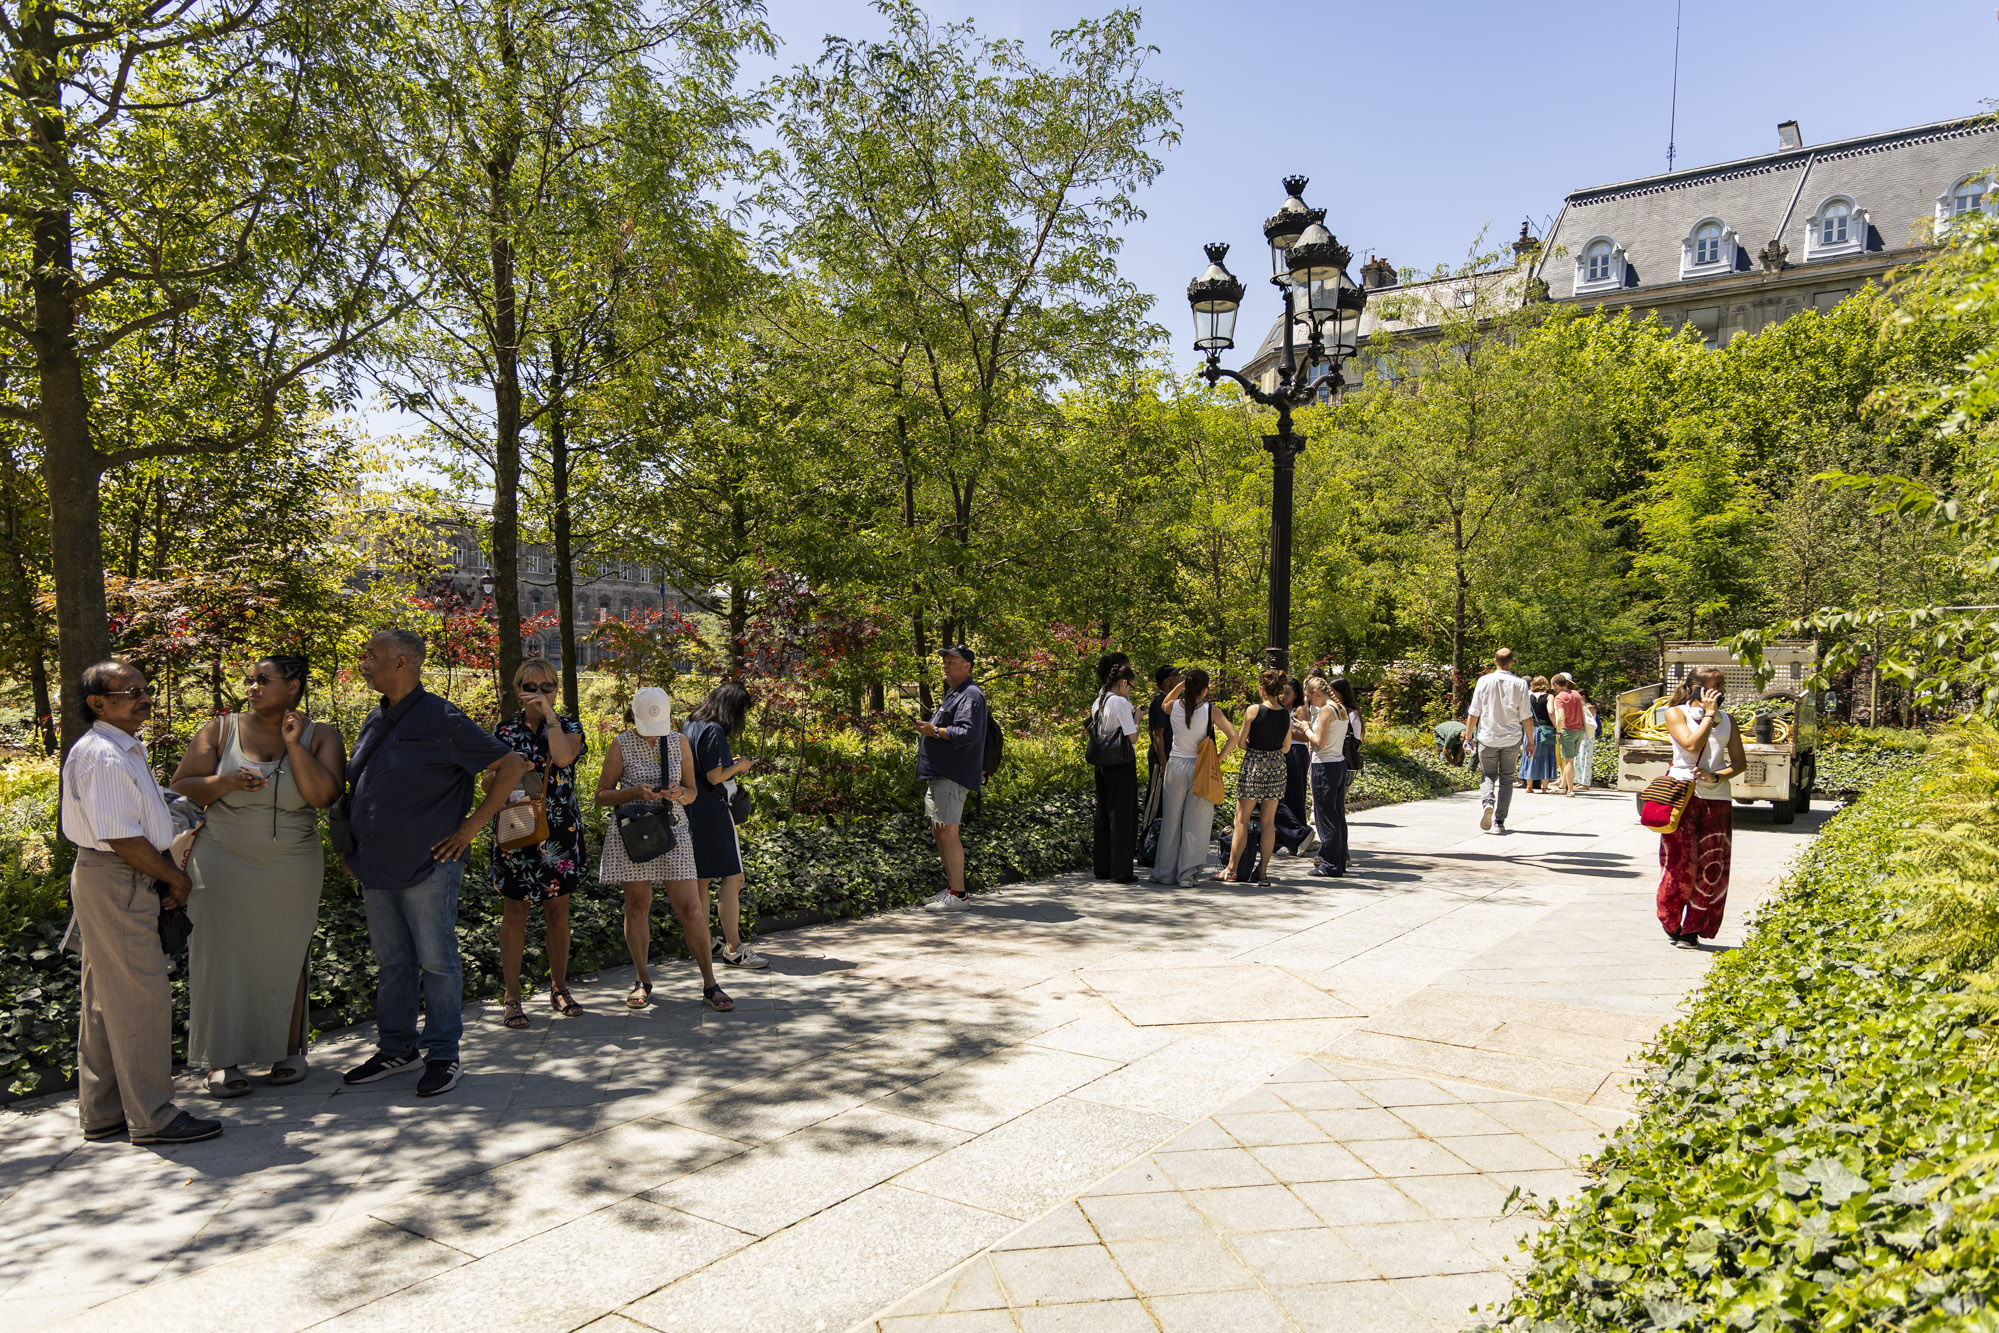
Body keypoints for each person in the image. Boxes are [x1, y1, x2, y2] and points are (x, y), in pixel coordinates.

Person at [340, 629, 530, 1099]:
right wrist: (354, 850)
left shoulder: (441, 716)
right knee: (393, 963)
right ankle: (397, 1049)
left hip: (429, 865)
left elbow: (512, 765)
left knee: (437, 961)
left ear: (402, 662)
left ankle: (444, 1053)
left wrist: (470, 828)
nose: (364, 663)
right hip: (376, 866)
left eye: (373, 656)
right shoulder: (375, 718)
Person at [62, 661, 223, 1145]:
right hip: (121, 875)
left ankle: (104, 1111)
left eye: (144, 689)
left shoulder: (118, 748)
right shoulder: (106, 756)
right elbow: (122, 838)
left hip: (111, 875)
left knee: (103, 1000)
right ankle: (153, 1117)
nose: (144, 698)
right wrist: (175, 879)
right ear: (97, 702)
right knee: (139, 997)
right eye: (130, 692)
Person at [171, 655, 346, 1096]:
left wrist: (294, 745)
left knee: (286, 955)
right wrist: (225, 783)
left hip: (291, 863)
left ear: (294, 685)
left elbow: (323, 796)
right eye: (249, 680)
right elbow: (183, 784)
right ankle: (220, 1060)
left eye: (263, 680)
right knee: (219, 957)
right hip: (221, 859)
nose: (252, 687)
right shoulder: (219, 730)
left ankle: (287, 1052)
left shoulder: (321, 735)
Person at [597, 688, 729, 1009]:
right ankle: (643, 979)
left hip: (674, 829)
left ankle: (710, 984)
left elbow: (694, 792)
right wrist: (632, 793)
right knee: (637, 906)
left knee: (691, 908)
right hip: (636, 834)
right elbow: (602, 794)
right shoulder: (620, 744)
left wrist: (679, 793)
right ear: (634, 716)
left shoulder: (678, 741)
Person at [487, 658, 588, 1029]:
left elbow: (562, 757)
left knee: (557, 913)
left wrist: (549, 718)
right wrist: (516, 779)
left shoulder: (569, 726)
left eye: (547, 687)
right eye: (531, 687)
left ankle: (559, 987)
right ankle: (512, 997)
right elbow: (487, 785)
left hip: (559, 833)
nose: (539, 694)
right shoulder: (504, 732)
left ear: (556, 690)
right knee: (515, 913)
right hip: (516, 829)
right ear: (518, 690)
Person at [1658, 667, 1747, 949]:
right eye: (1715, 684)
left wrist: (1718, 776)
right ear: (1696, 688)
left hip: (1717, 798)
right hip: (1683, 795)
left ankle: (1692, 929)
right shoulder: (1676, 713)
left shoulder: (1728, 720)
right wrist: (1708, 715)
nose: (1721, 690)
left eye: (1722, 684)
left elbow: (1739, 762)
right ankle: (1671, 919)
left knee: (1711, 866)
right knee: (1681, 863)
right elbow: (1690, 744)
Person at [684, 680, 768, 971]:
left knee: (702, 880)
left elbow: (700, 767)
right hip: (714, 812)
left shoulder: (690, 724)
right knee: (734, 879)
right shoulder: (715, 730)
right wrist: (740, 766)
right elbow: (715, 777)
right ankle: (734, 949)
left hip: (691, 811)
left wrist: (724, 765)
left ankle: (705, 941)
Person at [1148, 668, 1238, 886]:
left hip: (1175, 765)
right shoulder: (1210, 710)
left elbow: (1164, 702)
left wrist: (1180, 686)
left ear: (1186, 687)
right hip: (1200, 768)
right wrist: (1217, 758)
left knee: (1171, 820)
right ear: (1205, 689)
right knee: (1195, 821)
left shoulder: (1174, 708)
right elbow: (1233, 737)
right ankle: (1187, 874)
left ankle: (1164, 872)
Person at [916, 645, 989, 912]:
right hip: (940, 774)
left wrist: (933, 731)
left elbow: (967, 733)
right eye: (944, 661)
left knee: (948, 831)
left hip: (952, 774)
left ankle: (958, 896)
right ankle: (951, 891)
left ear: (967, 666)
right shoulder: (955, 693)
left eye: (952, 661)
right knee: (940, 830)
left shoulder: (970, 695)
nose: (945, 665)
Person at [1222, 669, 1291, 885]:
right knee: (1268, 822)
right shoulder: (1285, 713)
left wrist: (1255, 746)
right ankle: (1262, 872)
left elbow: (1242, 743)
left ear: (1261, 689)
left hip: (1254, 764)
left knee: (1241, 820)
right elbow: (1287, 748)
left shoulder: (1253, 710)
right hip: (1276, 766)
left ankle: (1232, 870)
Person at [1466, 648, 1534, 834]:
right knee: (1505, 779)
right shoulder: (1520, 684)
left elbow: (1474, 711)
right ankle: (1499, 820)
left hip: (1487, 737)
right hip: (1511, 739)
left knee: (1487, 775)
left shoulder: (1483, 681)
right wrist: (1530, 740)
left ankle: (1488, 803)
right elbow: (1526, 716)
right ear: (1511, 662)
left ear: (1495, 661)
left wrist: (1468, 736)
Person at [1088, 663, 1140, 882]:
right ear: (1123, 683)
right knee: (1122, 816)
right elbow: (1132, 736)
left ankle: (1103, 867)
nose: (1130, 691)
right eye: (1131, 687)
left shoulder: (1098, 701)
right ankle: (1121, 871)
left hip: (1102, 763)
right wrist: (1137, 718)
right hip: (1121, 763)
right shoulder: (1119, 702)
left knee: (1103, 814)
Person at [1304, 675, 1350, 877]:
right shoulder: (1341, 709)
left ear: (1316, 693)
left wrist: (1305, 728)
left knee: (1326, 816)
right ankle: (1339, 860)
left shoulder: (1325, 711)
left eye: (1310, 698)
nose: (1310, 702)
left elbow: (1319, 742)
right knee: (1338, 815)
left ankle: (1329, 863)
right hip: (1339, 764)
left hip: (1324, 765)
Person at [1140, 664, 1182, 861]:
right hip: (1160, 760)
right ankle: (1143, 847)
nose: (1180, 679)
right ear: (1167, 681)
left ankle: (1156, 848)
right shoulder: (1159, 702)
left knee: (1165, 805)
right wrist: (1163, 762)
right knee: (1154, 803)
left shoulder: (1170, 702)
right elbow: (1158, 734)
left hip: (1171, 759)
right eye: (1177, 676)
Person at [1277, 679, 1317, 857]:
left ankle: (1299, 834)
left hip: (1295, 752)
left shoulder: (1299, 710)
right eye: (1281, 692)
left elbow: (1307, 736)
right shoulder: (1279, 710)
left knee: (1294, 795)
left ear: (1296, 694)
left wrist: (1286, 729)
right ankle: (1292, 837)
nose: (1283, 696)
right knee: (1283, 797)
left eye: (1287, 693)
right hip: (1282, 753)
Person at [1518, 676, 1558, 793]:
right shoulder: (1549, 697)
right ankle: (1544, 787)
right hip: (1545, 730)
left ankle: (1529, 786)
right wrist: (1557, 727)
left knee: (1530, 755)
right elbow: (1550, 711)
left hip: (1531, 729)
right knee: (1546, 757)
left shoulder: (1528, 697)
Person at [1551, 674, 1587, 796]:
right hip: (1580, 730)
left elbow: (1561, 717)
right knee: (1572, 759)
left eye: (1553, 686)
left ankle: (1570, 790)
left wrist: (1558, 731)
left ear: (1556, 685)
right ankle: (1565, 787)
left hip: (1568, 730)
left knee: (1568, 761)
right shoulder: (1576, 694)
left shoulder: (1559, 697)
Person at [1574, 687, 1601, 793]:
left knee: (1585, 758)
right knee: (1578, 757)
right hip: (1581, 734)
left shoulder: (1589, 707)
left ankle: (1585, 782)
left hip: (1588, 735)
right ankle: (1579, 780)